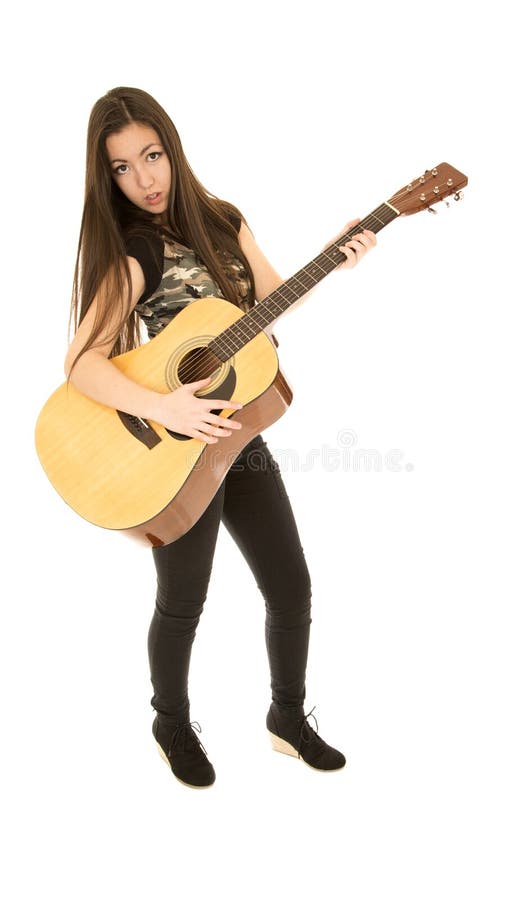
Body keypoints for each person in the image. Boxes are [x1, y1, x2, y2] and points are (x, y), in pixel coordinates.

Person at [64, 86, 376, 789]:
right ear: (105, 177)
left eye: (151, 156)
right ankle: (169, 723)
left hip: (238, 437)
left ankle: (287, 719)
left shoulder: (222, 220)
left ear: (172, 149)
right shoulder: (133, 251)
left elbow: (270, 303)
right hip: (175, 457)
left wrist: (336, 256)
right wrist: (163, 408)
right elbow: (81, 363)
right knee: (183, 603)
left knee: (291, 585)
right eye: (121, 168)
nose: (143, 178)